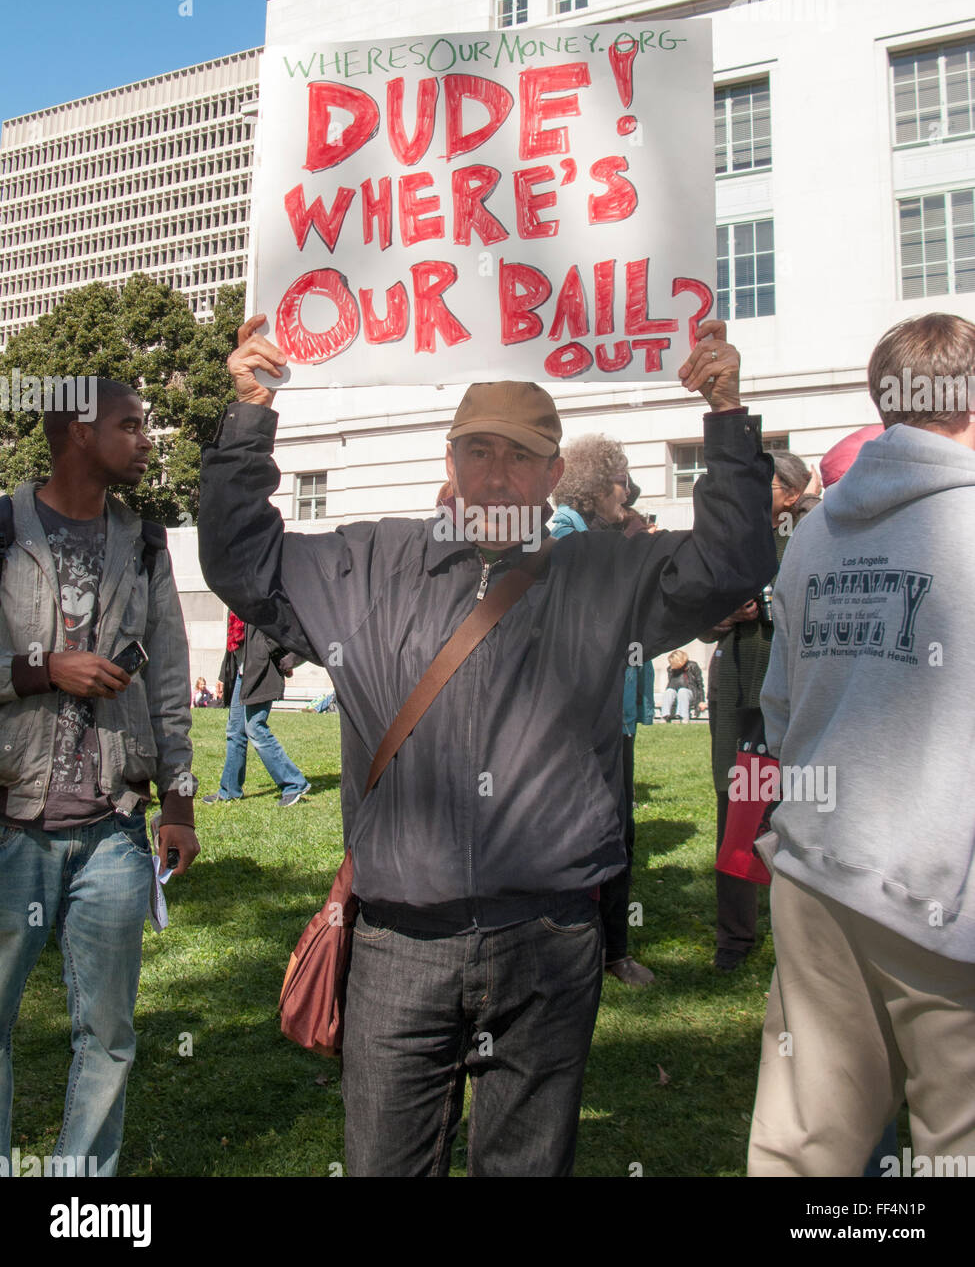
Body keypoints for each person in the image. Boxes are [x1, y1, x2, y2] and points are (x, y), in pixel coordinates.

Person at [198, 312, 777, 1177]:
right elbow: (243, 564)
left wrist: (727, 418)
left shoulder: (604, 573)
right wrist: (249, 414)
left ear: (551, 473)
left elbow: (732, 562)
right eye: (477, 451)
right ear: (449, 461)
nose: (495, 474)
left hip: (547, 937)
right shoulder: (369, 561)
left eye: (517, 456)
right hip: (398, 943)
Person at [748, 313, 975, 1176]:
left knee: (809, 1140)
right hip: (939, 885)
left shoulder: (814, 530)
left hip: (818, 865)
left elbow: (779, 702)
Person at [0, 378, 199, 1177]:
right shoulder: (3, 526)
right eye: (130, 424)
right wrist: (44, 669)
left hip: (115, 826)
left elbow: (171, 679)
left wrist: (178, 802)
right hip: (11, 821)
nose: (147, 439)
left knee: (110, 1035)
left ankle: (77, 1190)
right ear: (77, 431)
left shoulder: (146, 542)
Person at [549, 436, 654, 988]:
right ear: (593, 485)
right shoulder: (565, 531)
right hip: (582, 712)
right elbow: (587, 600)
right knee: (590, 825)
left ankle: (612, 947)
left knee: (619, 828)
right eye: (622, 479)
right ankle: (589, 948)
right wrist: (632, 549)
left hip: (614, 709)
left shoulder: (608, 534)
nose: (629, 490)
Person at [703, 451, 814, 973]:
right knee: (738, 812)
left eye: (766, 486)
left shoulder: (815, 538)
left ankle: (804, 938)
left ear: (791, 494)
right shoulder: (736, 540)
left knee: (796, 811)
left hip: (791, 693)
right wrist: (727, 614)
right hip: (737, 694)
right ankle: (734, 939)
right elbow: (701, 622)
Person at [203, 612, 311, 808]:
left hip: (261, 669)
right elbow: (232, 641)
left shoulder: (258, 591)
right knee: (235, 730)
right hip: (241, 672)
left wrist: (274, 653)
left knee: (255, 727)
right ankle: (229, 789)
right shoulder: (234, 596)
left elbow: (285, 627)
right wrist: (222, 675)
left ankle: (294, 784)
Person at [659, 649, 705, 723]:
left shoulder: (692, 666)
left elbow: (700, 684)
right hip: (676, 694)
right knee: (669, 691)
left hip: (690, 694)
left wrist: (702, 701)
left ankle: (684, 717)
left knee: (682, 691)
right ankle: (665, 715)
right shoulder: (671, 669)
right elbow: (670, 684)